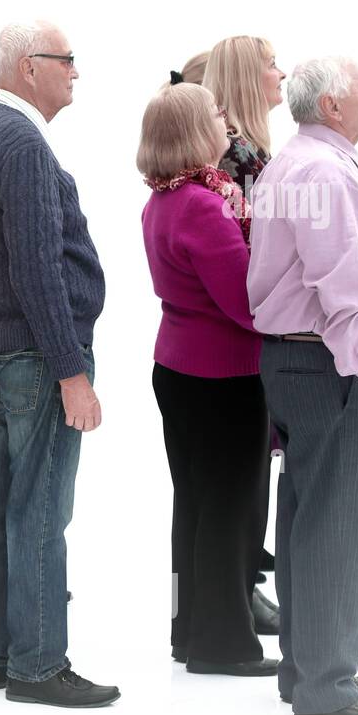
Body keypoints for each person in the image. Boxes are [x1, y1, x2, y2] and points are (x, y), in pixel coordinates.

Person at [0, 19, 119, 707]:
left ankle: (0, 655)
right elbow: (36, 269)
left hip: (0, 354)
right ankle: (39, 664)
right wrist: (71, 371)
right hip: (37, 357)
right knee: (40, 514)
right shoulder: (20, 142)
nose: (75, 70)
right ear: (29, 67)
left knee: (0, 509)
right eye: (66, 59)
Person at [247, 57, 358, 715]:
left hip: (296, 362)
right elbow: (344, 299)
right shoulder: (324, 172)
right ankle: (327, 687)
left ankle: (308, 668)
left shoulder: (291, 163)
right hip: (331, 366)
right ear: (333, 106)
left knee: (306, 521)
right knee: (342, 528)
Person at [138, 82, 275, 677]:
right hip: (222, 374)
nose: (227, 123)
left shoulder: (163, 199)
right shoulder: (203, 204)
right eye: (218, 114)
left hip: (181, 368)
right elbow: (247, 303)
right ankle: (223, 645)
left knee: (195, 503)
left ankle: (189, 629)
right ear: (196, 131)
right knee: (228, 508)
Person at [205, 35, 290, 633]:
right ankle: (232, 599)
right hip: (239, 339)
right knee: (237, 483)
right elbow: (250, 253)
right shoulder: (238, 157)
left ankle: (239, 592)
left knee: (243, 478)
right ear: (246, 77)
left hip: (245, 334)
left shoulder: (249, 151)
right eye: (271, 65)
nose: (282, 73)